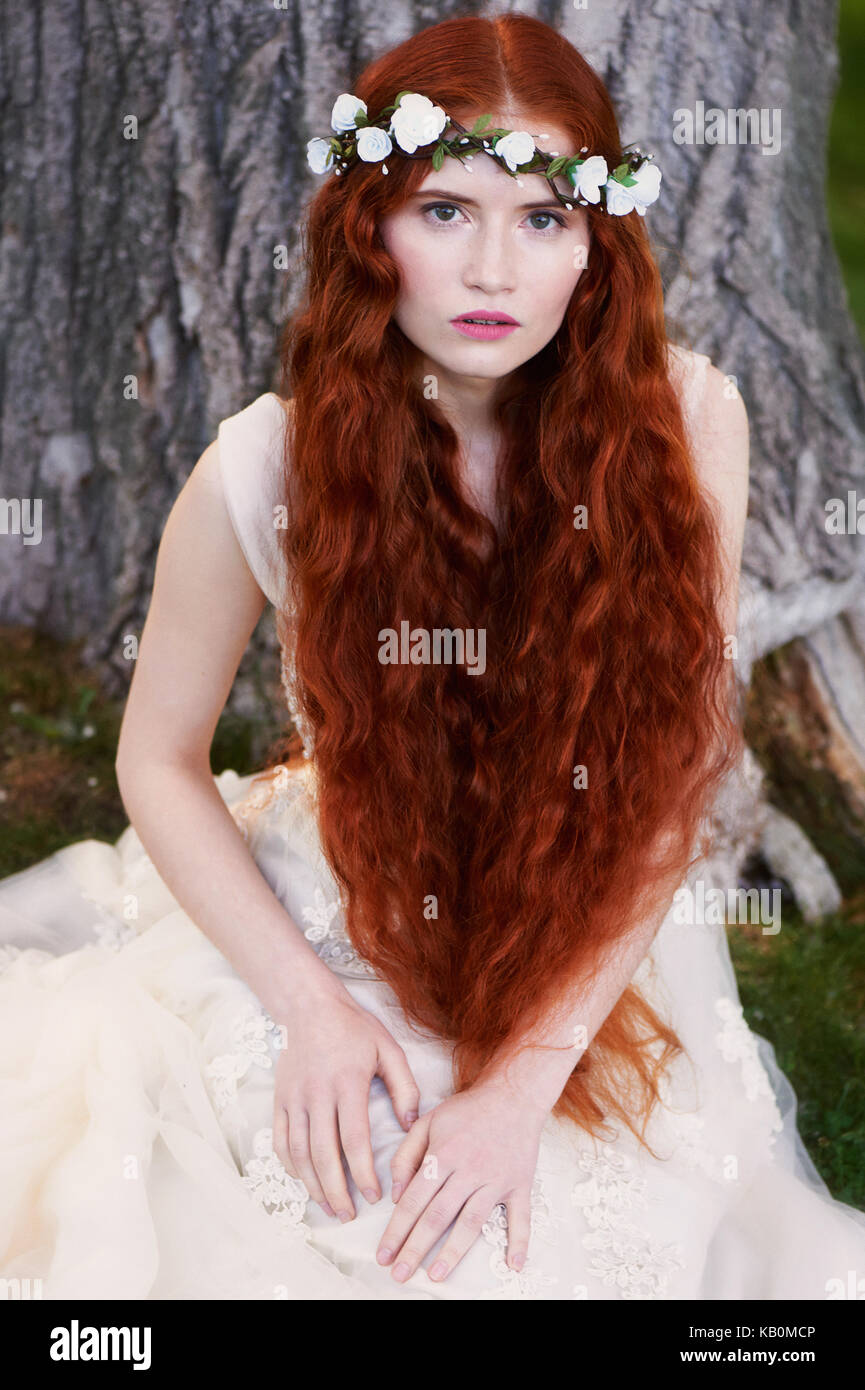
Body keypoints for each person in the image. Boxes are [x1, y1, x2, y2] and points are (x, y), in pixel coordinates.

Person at [2, 12, 864, 1302]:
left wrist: (526, 1079)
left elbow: (673, 770)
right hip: (346, 917)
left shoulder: (689, 422)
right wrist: (310, 1011)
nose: (492, 274)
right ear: (372, 230)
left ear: (596, 250)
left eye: (542, 221)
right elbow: (160, 760)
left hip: (582, 924)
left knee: (569, 1238)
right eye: (445, 211)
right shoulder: (264, 463)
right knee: (296, 1210)